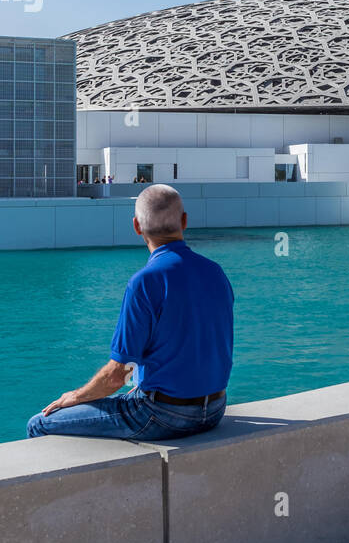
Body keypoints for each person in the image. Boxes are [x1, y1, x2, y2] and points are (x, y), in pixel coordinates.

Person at [26, 185, 234, 441]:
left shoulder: (145, 282)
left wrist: (75, 397)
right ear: (184, 221)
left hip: (164, 414)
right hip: (215, 409)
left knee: (39, 423)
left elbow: (116, 375)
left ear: (136, 226)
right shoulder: (216, 272)